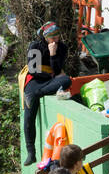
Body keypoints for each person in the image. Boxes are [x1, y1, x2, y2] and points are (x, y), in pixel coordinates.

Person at [22, 21, 73, 166]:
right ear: (45, 37)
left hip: (50, 80)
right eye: (52, 37)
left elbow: (57, 71)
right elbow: (33, 70)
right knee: (29, 112)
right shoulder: (35, 46)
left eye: (57, 37)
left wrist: (53, 54)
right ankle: (30, 151)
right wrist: (49, 76)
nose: (56, 40)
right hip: (36, 80)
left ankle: (38, 93)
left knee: (66, 80)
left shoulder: (61, 47)